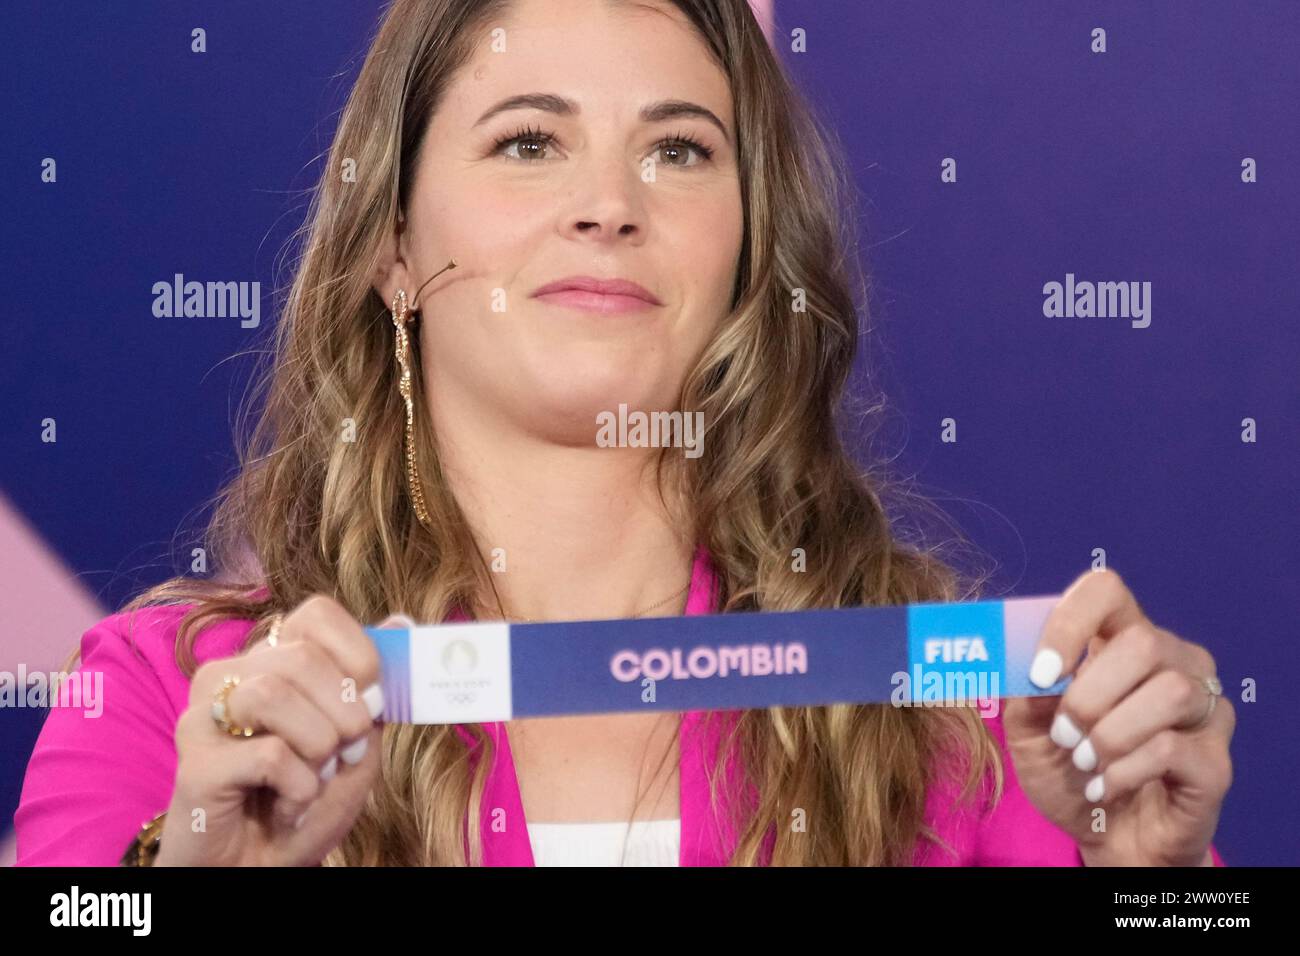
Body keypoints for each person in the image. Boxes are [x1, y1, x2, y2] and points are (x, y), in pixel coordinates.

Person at [15, 0, 1232, 867]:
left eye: (679, 150)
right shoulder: (166, 695)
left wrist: (1156, 883)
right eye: (528, 142)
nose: (608, 206)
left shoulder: (966, 722)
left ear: (754, 256)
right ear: (390, 248)